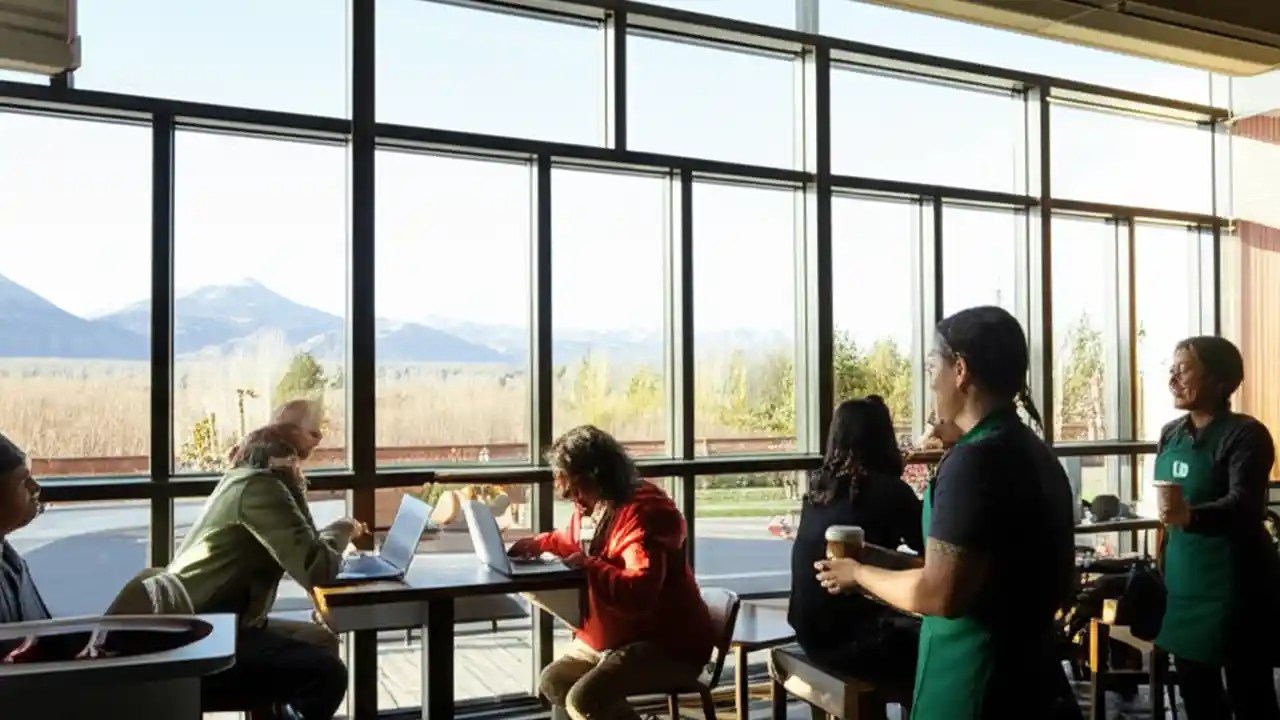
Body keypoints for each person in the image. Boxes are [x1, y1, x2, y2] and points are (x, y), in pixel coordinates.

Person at [815, 306, 1078, 719]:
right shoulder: (1035, 452)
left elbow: (941, 593)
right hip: (1031, 677)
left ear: (960, 370)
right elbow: (973, 571)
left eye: (931, 367)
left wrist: (859, 575)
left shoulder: (973, 462)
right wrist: (877, 558)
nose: (931, 382)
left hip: (973, 682)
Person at [508, 425, 715, 720]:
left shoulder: (647, 513)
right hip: (619, 636)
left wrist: (588, 566)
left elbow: (639, 592)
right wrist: (538, 544)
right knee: (554, 682)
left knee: (583, 701)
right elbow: (571, 539)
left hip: (667, 643)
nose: (575, 501)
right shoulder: (595, 504)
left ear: (594, 477)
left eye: (576, 490)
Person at [170, 420, 365, 719]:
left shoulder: (238, 480)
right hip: (210, 636)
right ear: (283, 461)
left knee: (321, 640)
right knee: (328, 674)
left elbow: (308, 546)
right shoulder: (261, 488)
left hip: (215, 622)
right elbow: (317, 569)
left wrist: (298, 493)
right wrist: (344, 528)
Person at [1153, 336, 1280, 719]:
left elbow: (1244, 504)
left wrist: (1191, 517)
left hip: (1236, 588)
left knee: (1250, 694)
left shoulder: (1246, 435)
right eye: (1172, 370)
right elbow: (1165, 512)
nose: (1173, 379)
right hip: (1184, 588)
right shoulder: (1170, 434)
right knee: (1198, 697)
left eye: (1184, 370)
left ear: (1220, 380)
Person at [788, 396, 923, 697]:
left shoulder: (818, 489)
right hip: (852, 639)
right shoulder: (889, 491)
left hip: (809, 633)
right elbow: (933, 546)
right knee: (938, 647)